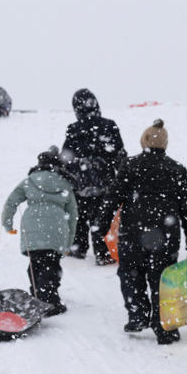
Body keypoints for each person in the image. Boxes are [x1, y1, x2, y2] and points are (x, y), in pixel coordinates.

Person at [103, 119, 187, 344]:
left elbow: (113, 197)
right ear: (165, 144)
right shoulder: (176, 169)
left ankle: (137, 314)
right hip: (166, 234)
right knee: (163, 279)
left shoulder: (129, 165)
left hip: (133, 232)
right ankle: (165, 326)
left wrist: (102, 222)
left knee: (130, 273)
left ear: (143, 141)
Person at [1, 146, 78, 317]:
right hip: (57, 227)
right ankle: (50, 300)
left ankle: (38, 296)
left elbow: (11, 202)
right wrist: (69, 241)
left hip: (31, 225)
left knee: (35, 263)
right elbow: (73, 215)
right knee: (51, 264)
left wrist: (7, 224)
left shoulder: (30, 180)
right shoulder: (65, 183)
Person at [61, 88, 126, 265]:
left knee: (79, 217)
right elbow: (120, 156)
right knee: (103, 218)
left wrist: (71, 175)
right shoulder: (109, 125)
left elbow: (66, 159)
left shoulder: (73, 129)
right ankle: (103, 252)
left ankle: (78, 248)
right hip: (105, 183)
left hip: (80, 185)